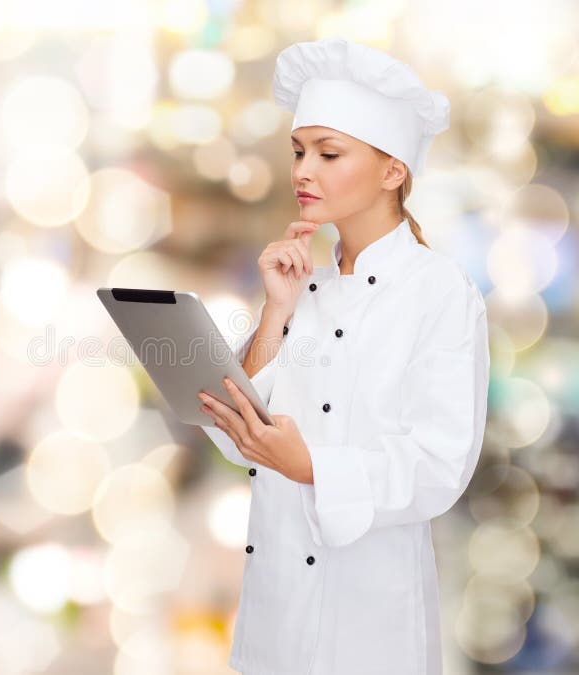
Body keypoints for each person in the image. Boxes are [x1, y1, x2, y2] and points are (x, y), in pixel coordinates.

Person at [196, 37, 490, 675]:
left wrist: (313, 467)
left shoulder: (439, 290)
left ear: (393, 171)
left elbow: (439, 465)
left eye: (330, 153)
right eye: (299, 151)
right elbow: (235, 434)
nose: (304, 171)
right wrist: (276, 307)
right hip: (274, 616)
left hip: (370, 626)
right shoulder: (304, 282)